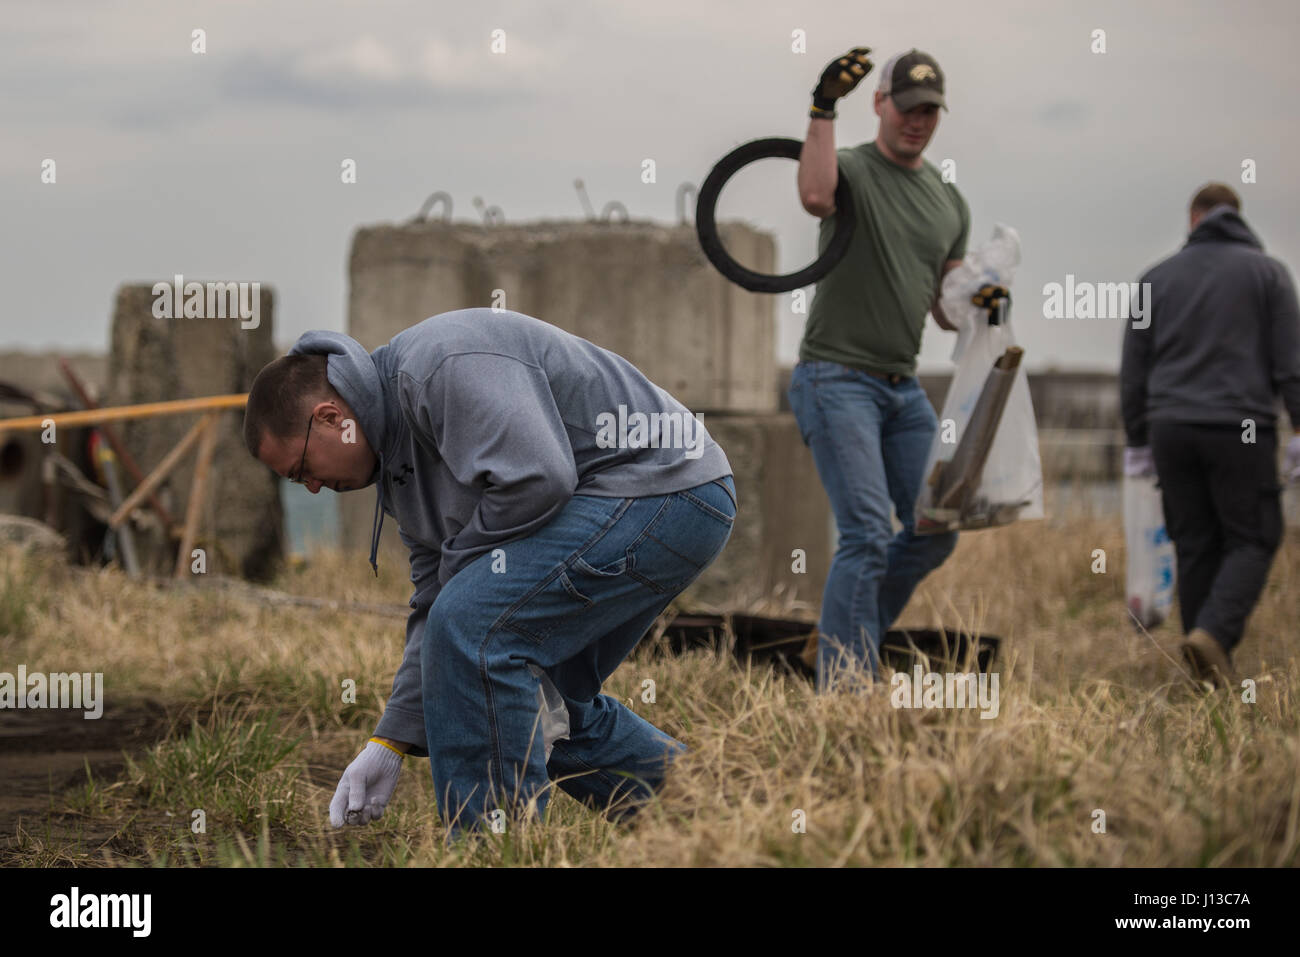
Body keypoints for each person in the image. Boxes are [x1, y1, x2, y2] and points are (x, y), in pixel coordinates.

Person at [242, 307, 736, 833]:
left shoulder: (437, 366)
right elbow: (436, 599)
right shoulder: (399, 471)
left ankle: (490, 851)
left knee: (475, 631)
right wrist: (390, 740)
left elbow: (537, 479)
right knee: (540, 709)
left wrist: (463, 575)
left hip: (665, 487)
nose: (312, 487)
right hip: (643, 503)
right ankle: (721, 822)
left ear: (329, 418)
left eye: (302, 470)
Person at [790, 47, 971, 689]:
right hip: (835, 377)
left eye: (929, 111)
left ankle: (846, 635)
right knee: (867, 533)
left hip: (901, 388)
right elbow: (814, 196)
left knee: (934, 529)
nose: (917, 121)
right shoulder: (852, 172)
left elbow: (950, 313)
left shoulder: (950, 203)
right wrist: (822, 106)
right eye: (907, 107)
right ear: (880, 104)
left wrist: (986, 293)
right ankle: (845, 689)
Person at [1120, 183, 1300, 688]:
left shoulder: (1154, 279)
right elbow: (1290, 363)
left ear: (1193, 219)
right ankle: (1214, 635)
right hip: (1241, 428)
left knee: (1195, 542)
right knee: (1254, 535)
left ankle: (1206, 673)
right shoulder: (1270, 275)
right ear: (1238, 218)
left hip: (1170, 427)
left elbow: (1134, 368)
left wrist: (1137, 438)